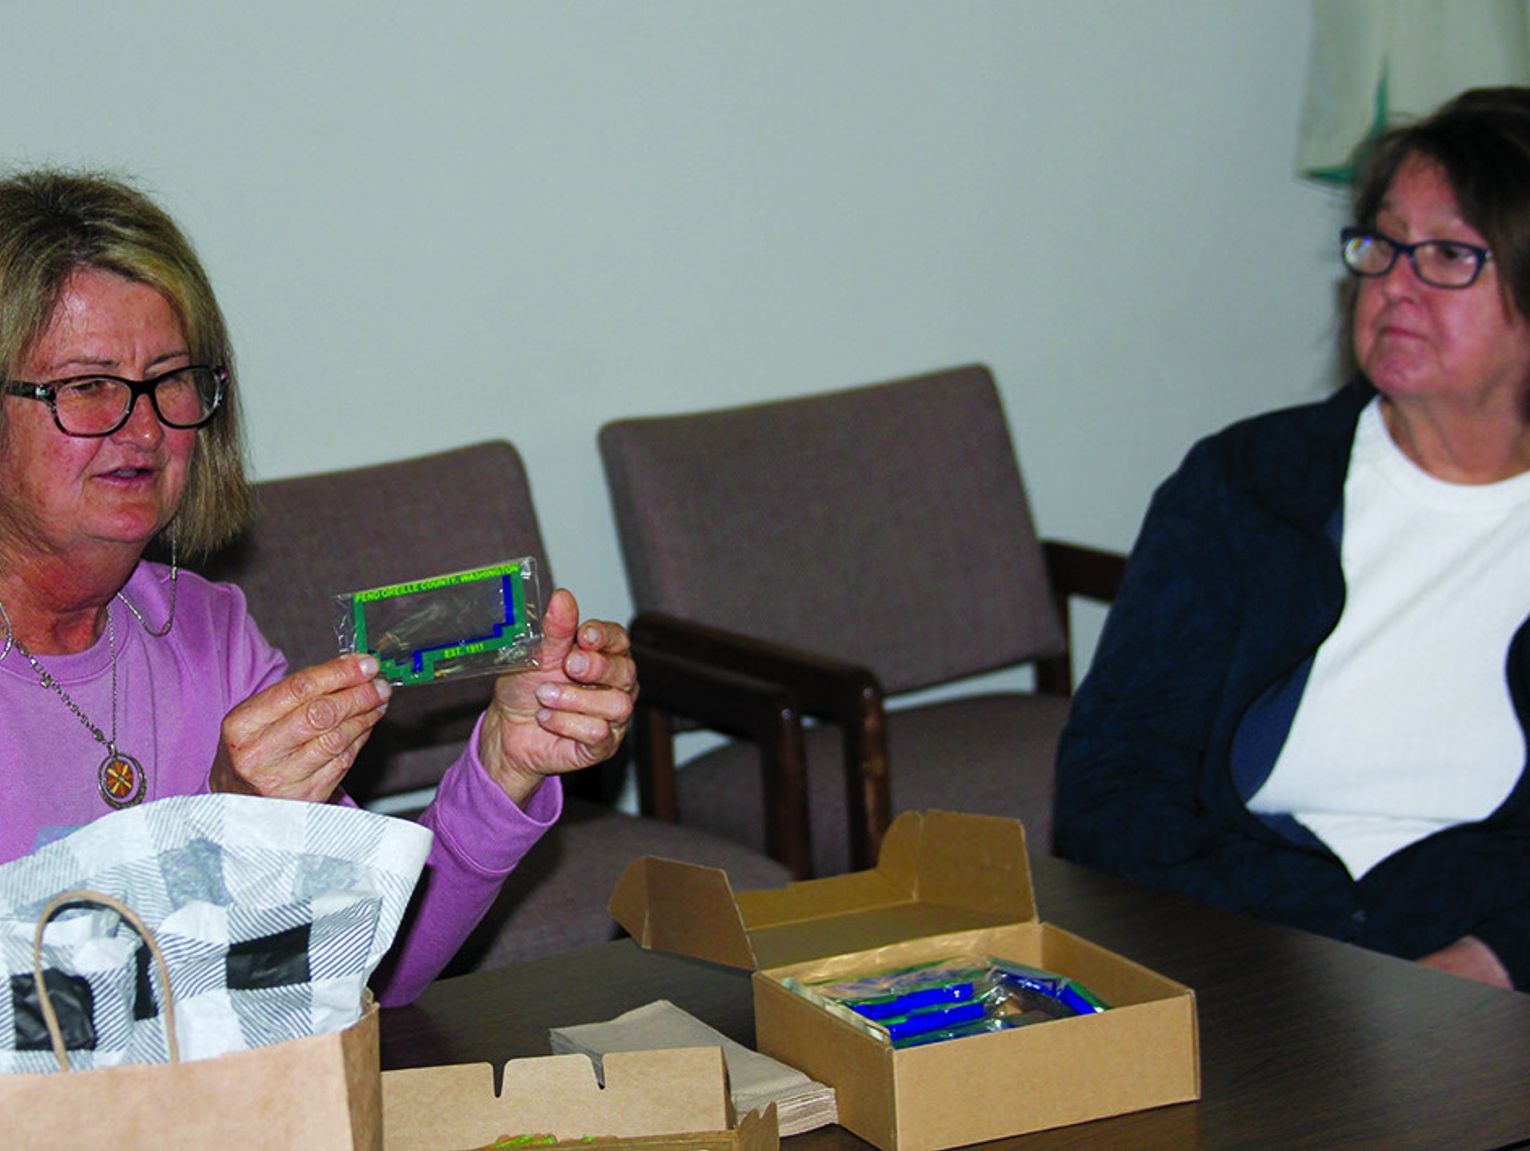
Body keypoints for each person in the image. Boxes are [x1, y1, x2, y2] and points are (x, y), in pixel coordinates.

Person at [0, 170, 636, 1005]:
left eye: (171, 379)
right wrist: (219, 831)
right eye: (87, 386)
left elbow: (364, 969)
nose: (147, 427)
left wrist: (503, 765)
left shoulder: (207, 631)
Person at [1053, 87, 1530, 991]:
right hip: (1250, 953)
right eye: (1383, 245)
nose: (1393, 285)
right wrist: (1248, 970)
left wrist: (1494, 964)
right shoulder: (1248, 485)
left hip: (1486, 971)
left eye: (1448, 255)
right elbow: (1115, 786)